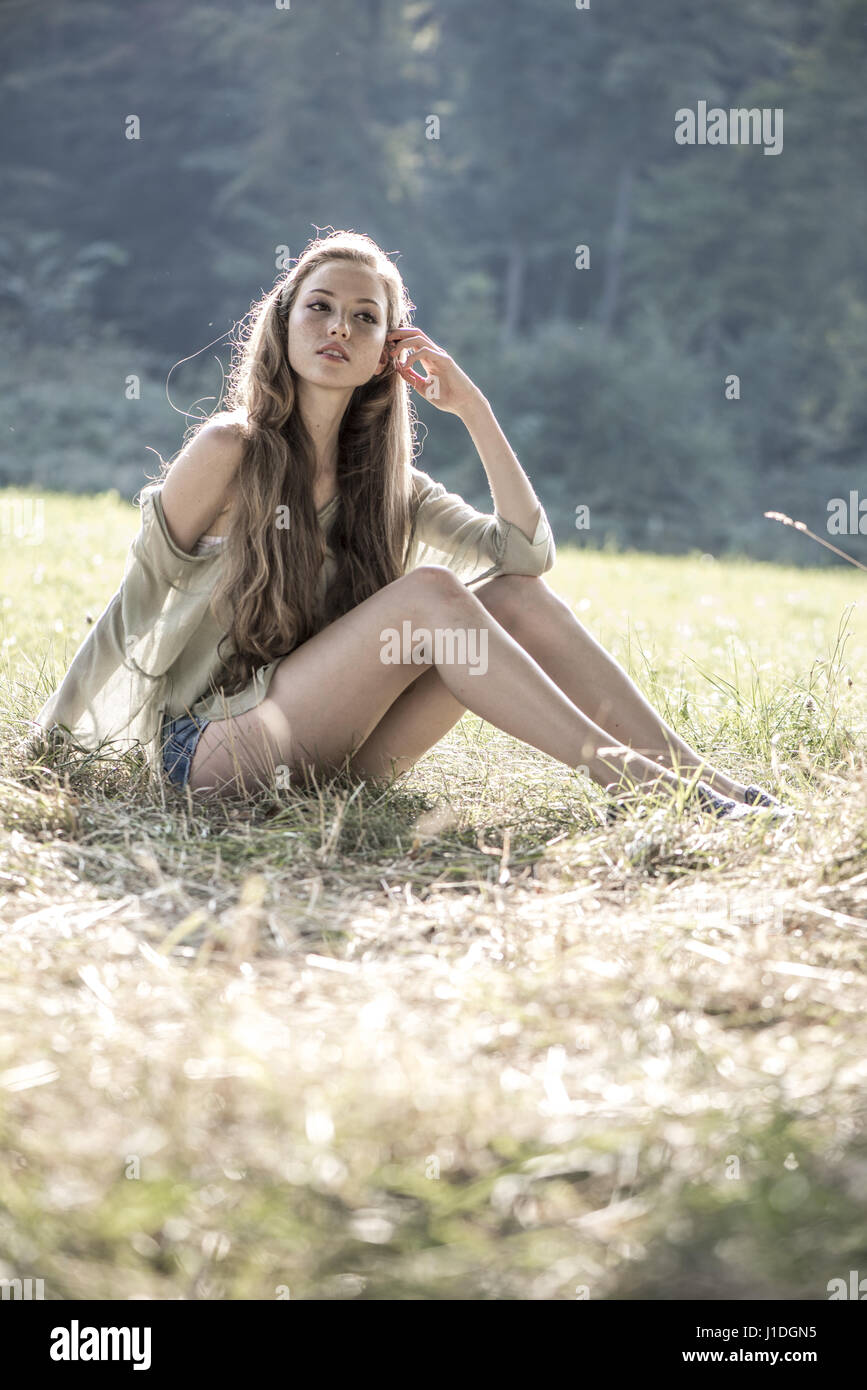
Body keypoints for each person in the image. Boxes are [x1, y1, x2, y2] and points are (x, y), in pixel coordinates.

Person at [30, 230, 787, 821]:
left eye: (366, 318)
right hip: (211, 751)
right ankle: (635, 781)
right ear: (283, 322)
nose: (339, 327)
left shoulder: (390, 488)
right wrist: (52, 748)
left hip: (336, 755)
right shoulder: (231, 451)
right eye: (320, 306)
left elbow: (528, 557)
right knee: (431, 594)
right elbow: (135, 603)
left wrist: (472, 409)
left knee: (513, 600)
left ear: (388, 354)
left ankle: (701, 782)